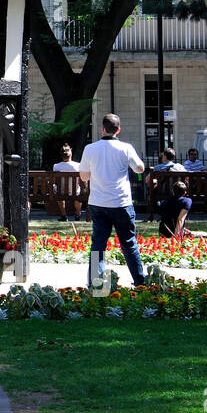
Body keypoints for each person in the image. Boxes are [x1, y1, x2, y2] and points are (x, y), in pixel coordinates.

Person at [78, 114, 147, 287]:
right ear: (118, 130)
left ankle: (95, 283)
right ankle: (139, 281)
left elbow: (84, 176)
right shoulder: (126, 148)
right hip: (121, 202)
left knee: (98, 245)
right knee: (129, 243)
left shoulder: (90, 149)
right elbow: (140, 168)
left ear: (102, 129)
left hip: (98, 202)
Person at [145, 147, 186, 221]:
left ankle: (160, 213)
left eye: (163, 155)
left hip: (162, 191)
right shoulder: (181, 167)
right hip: (178, 192)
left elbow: (147, 180)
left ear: (165, 156)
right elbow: (187, 179)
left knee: (150, 191)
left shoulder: (158, 168)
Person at [49, 143, 83, 220]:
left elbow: (54, 181)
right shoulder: (78, 166)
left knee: (57, 188)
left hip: (61, 192)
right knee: (79, 191)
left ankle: (64, 215)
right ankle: (78, 213)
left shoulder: (56, 166)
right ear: (70, 154)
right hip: (75, 192)